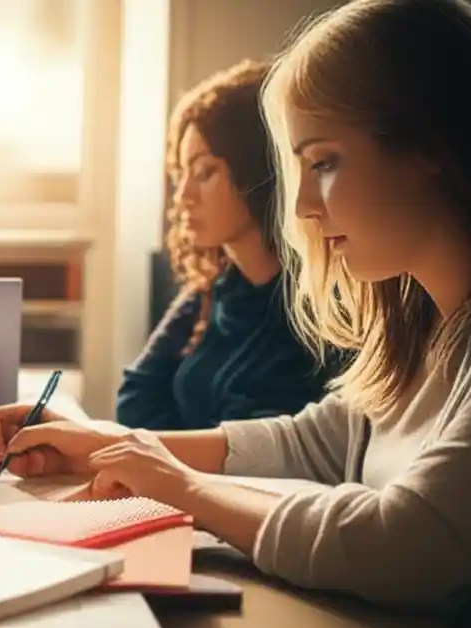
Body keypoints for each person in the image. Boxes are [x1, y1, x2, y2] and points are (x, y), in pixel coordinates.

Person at [0, 0, 471, 628]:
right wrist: (109, 442)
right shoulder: (420, 328)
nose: (306, 207)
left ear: (429, 142)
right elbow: (318, 446)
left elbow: (409, 544)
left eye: (325, 162)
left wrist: (184, 489)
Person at [116, 59, 332, 430]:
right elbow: (135, 396)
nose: (182, 195)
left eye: (204, 173)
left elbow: (266, 441)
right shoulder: (214, 288)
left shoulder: (315, 305)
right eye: (180, 174)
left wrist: (172, 455)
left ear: (257, 171)